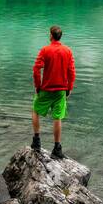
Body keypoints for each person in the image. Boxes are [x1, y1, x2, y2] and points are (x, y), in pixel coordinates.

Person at [31, 24, 75, 158]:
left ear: (51, 36)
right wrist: (69, 88)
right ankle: (57, 148)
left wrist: (38, 86)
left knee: (35, 110)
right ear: (60, 36)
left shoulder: (45, 50)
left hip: (46, 88)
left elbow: (36, 69)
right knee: (57, 118)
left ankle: (37, 141)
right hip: (61, 90)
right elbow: (72, 72)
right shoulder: (67, 51)